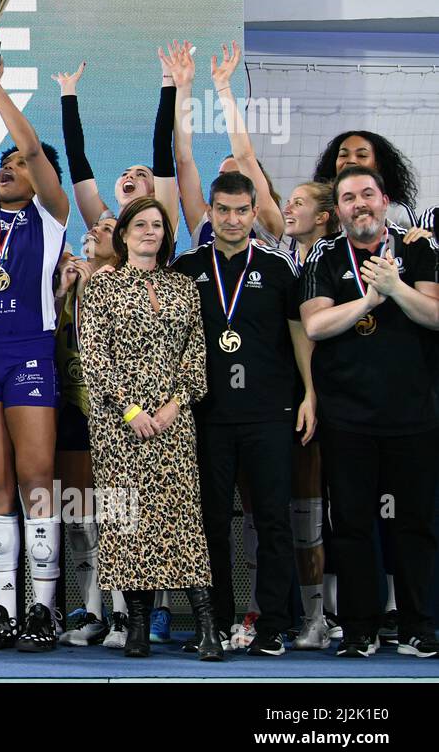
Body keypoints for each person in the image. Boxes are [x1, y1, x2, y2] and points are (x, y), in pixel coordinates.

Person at [0, 42, 69, 652]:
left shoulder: (51, 215)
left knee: (38, 478)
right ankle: (1, 607)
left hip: (30, 353)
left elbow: (28, 147)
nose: (7, 166)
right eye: (3, 164)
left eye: (17, 164)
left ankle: (43, 609)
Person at [299, 166, 439, 658]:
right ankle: (361, 629)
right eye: (348, 198)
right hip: (349, 418)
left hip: (414, 416)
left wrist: (399, 290)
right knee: (353, 524)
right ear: (337, 210)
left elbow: (436, 315)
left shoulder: (419, 247)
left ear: (384, 201)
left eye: (367, 195)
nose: (359, 204)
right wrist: (369, 300)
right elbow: (315, 325)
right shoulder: (326, 254)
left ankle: (420, 626)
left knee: (417, 524)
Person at [171, 171, 312, 657]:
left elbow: (299, 334)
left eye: (241, 210)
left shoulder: (278, 267)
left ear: (255, 213)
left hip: (269, 413)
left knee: (272, 519)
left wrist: (310, 392)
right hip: (206, 416)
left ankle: (272, 624)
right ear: (209, 211)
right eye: (223, 210)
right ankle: (216, 623)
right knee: (210, 522)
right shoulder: (186, 267)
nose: (232, 220)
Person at [76, 197, 222, 660]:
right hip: (120, 427)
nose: (149, 231)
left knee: (184, 522)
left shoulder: (183, 287)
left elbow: (197, 355)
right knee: (128, 521)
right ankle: (135, 628)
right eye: (140, 224)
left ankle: (207, 629)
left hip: (175, 421)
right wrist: (131, 410)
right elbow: (95, 356)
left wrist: (176, 404)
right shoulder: (101, 287)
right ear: (122, 233)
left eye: (157, 224)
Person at [53, 219, 122, 648]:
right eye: (94, 225)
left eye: (108, 226)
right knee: (79, 516)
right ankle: (93, 612)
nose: (95, 230)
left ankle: (122, 613)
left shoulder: (124, 285)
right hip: (71, 408)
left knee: (117, 515)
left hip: (116, 413)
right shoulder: (69, 284)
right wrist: (61, 292)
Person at [281, 180, 338, 649]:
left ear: (323, 215)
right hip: (295, 398)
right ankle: (305, 615)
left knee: (335, 512)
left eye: (298, 202)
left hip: (340, 397)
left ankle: (332, 615)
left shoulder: (340, 260)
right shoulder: (284, 262)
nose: (287, 207)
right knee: (297, 510)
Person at [168, 41, 284, 247]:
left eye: (236, 176)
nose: (228, 181)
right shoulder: (203, 222)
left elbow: (244, 156)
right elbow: (183, 158)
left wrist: (223, 86)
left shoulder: (265, 222)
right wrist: (183, 86)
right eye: (222, 177)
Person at [54, 52, 179, 231]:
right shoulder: (103, 225)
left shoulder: (163, 221)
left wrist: (168, 79)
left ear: (154, 192)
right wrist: (68, 91)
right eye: (125, 173)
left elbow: (162, 144)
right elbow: (76, 156)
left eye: (141, 175)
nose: (130, 176)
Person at [312, 130, 421, 228]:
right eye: (343, 155)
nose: (351, 160)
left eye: (362, 155)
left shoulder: (397, 212)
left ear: (379, 165)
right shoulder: (316, 210)